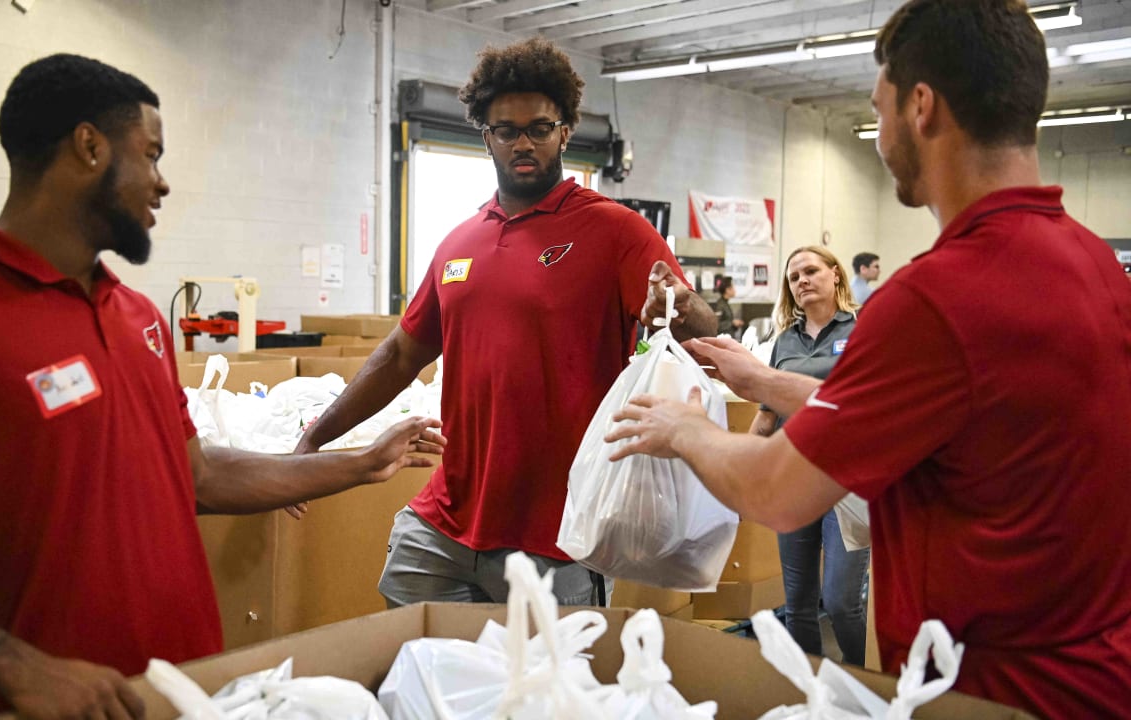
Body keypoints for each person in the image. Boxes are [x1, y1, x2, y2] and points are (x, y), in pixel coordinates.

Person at [0, 54, 445, 720]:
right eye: (152, 156)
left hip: (182, 693)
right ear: (89, 146)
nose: (162, 184)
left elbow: (196, 476)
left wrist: (358, 464)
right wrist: (11, 664)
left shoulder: (137, 319)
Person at [616, 1, 1131, 716]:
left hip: (988, 693)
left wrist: (683, 429)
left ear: (921, 107)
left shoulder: (933, 297)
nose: (881, 133)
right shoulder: (1094, 263)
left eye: (878, 108)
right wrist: (762, 379)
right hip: (1100, 674)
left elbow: (776, 490)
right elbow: (942, 418)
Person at [294, 37, 716, 608]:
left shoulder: (614, 231)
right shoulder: (459, 242)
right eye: (505, 129)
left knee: (545, 695)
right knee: (411, 677)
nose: (523, 142)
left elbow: (702, 324)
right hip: (443, 525)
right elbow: (399, 355)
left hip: (557, 536)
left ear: (564, 131)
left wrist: (680, 307)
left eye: (539, 128)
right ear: (485, 136)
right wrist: (316, 436)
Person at [751, 247, 868, 666]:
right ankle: (809, 693)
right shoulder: (784, 341)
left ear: (835, 275)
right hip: (792, 479)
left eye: (811, 271)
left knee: (840, 601)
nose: (802, 280)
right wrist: (747, 461)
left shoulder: (862, 330)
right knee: (798, 604)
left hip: (845, 484)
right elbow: (768, 411)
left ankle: (866, 683)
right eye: (794, 276)